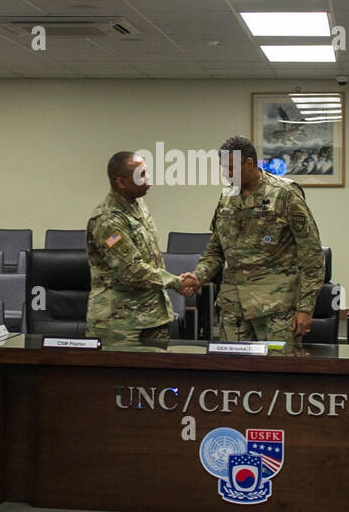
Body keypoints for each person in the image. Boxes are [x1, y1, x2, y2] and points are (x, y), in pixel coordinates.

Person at [184, 135, 324, 351]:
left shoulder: (285, 194)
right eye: (223, 168)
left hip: (275, 308)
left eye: (230, 168)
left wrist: (305, 308)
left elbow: (312, 255)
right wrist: (198, 275)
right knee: (233, 376)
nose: (225, 174)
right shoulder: (227, 197)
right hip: (233, 308)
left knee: (280, 376)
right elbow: (215, 250)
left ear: (249, 163)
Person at [85, 152, 184, 349]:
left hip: (153, 318)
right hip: (121, 325)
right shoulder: (108, 220)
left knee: (156, 379)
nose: (148, 179)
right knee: (119, 380)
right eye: (141, 175)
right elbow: (131, 270)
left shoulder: (137, 205)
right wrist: (176, 282)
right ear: (121, 182)